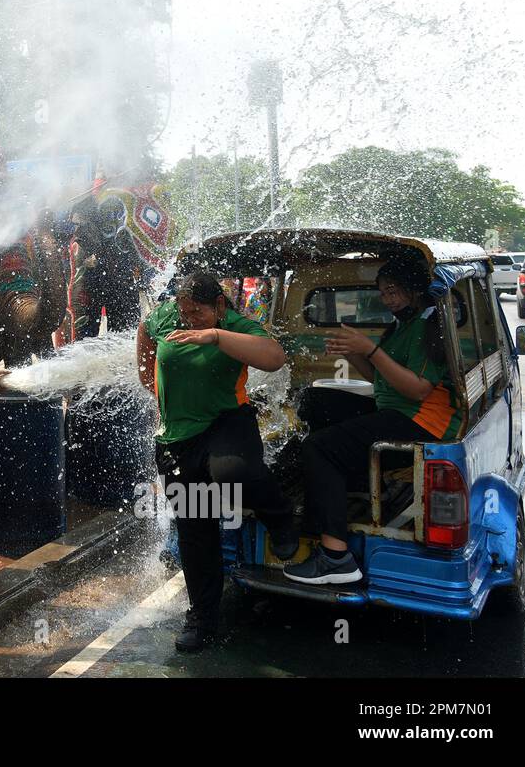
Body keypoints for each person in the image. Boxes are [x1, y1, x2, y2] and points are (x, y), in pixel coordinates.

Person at [137, 270, 299, 651]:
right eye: (185, 310)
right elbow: (145, 332)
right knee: (195, 529)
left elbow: (274, 358)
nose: (189, 319)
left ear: (219, 306)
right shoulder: (166, 317)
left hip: (226, 422)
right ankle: (203, 620)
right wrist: (147, 375)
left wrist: (215, 336)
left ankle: (281, 519)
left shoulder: (236, 325)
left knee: (232, 472)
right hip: (178, 437)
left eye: (198, 313)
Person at [285, 258, 461, 585]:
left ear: (414, 289)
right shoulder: (400, 326)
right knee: (314, 401)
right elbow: (380, 378)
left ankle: (336, 557)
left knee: (319, 448)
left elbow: (418, 389)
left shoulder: (427, 325)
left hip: (421, 422)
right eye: (383, 293)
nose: (388, 299)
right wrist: (353, 353)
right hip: (393, 410)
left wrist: (370, 349)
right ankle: (336, 486)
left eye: (393, 291)